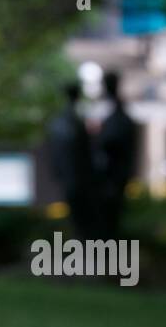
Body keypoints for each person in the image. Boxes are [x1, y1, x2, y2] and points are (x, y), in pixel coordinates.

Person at [47, 81, 97, 238]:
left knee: (80, 217)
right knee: (81, 217)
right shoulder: (74, 121)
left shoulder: (62, 121)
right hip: (78, 177)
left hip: (73, 177)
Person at [96, 71, 138, 237]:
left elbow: (112, 143)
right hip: (114, 174)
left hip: (114, 175)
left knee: (111, 219)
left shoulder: (118, 117)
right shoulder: (117, 114)